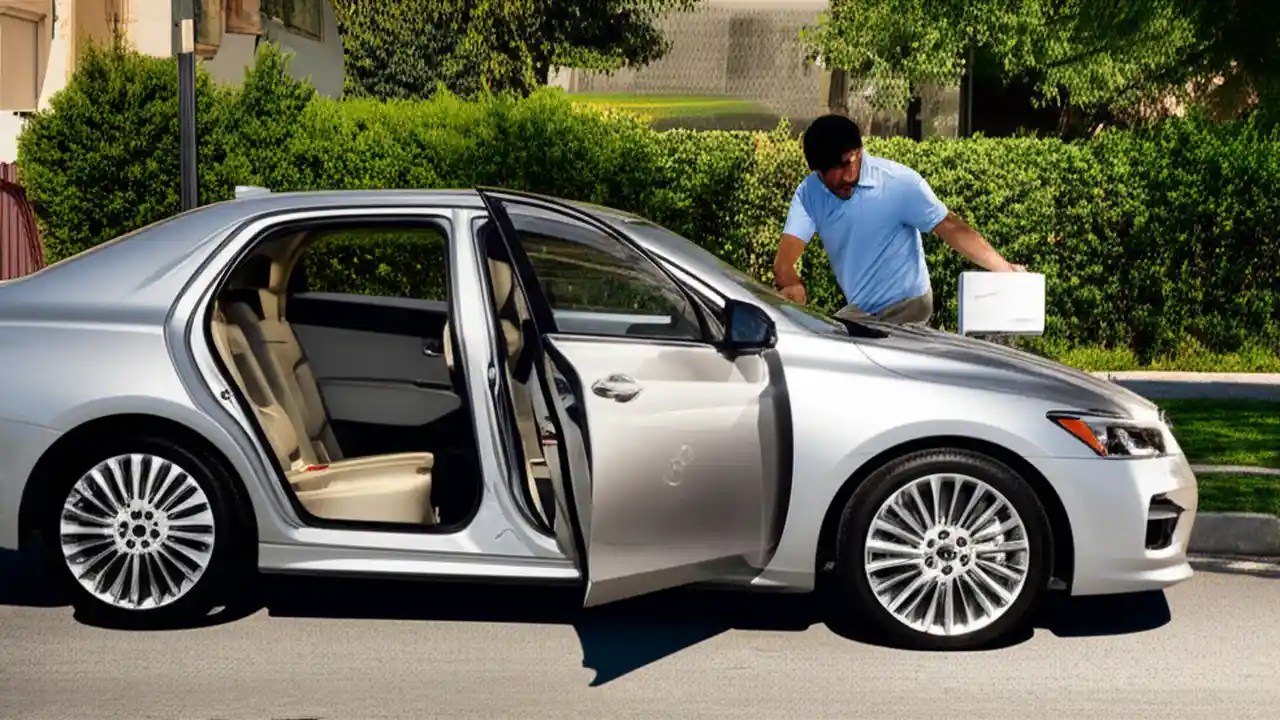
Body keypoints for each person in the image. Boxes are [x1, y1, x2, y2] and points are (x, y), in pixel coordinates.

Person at [772, 114, 1024, 325]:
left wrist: (1004, 269)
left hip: (909, 304)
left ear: (858, 152)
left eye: (849, 163)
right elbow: (784, 263)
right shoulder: (810, 193)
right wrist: (792, 283)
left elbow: (949, 226)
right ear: (817, 172)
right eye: (834, 175)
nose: (846, 178)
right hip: (863, 311)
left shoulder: (898, 183)